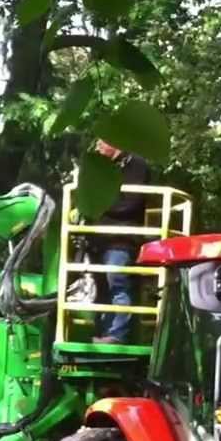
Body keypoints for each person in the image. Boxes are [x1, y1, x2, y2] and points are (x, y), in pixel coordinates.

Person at [91, 139, 151, 344]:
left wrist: (99, 202)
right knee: (101, 285)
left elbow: (130, 202)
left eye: (101, 143)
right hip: (100, 237)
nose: (97, 147)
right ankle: (104, 332)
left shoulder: (136, 164)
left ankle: (117, 335)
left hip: (123, 237)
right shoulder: (104, 168)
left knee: (117, 280)